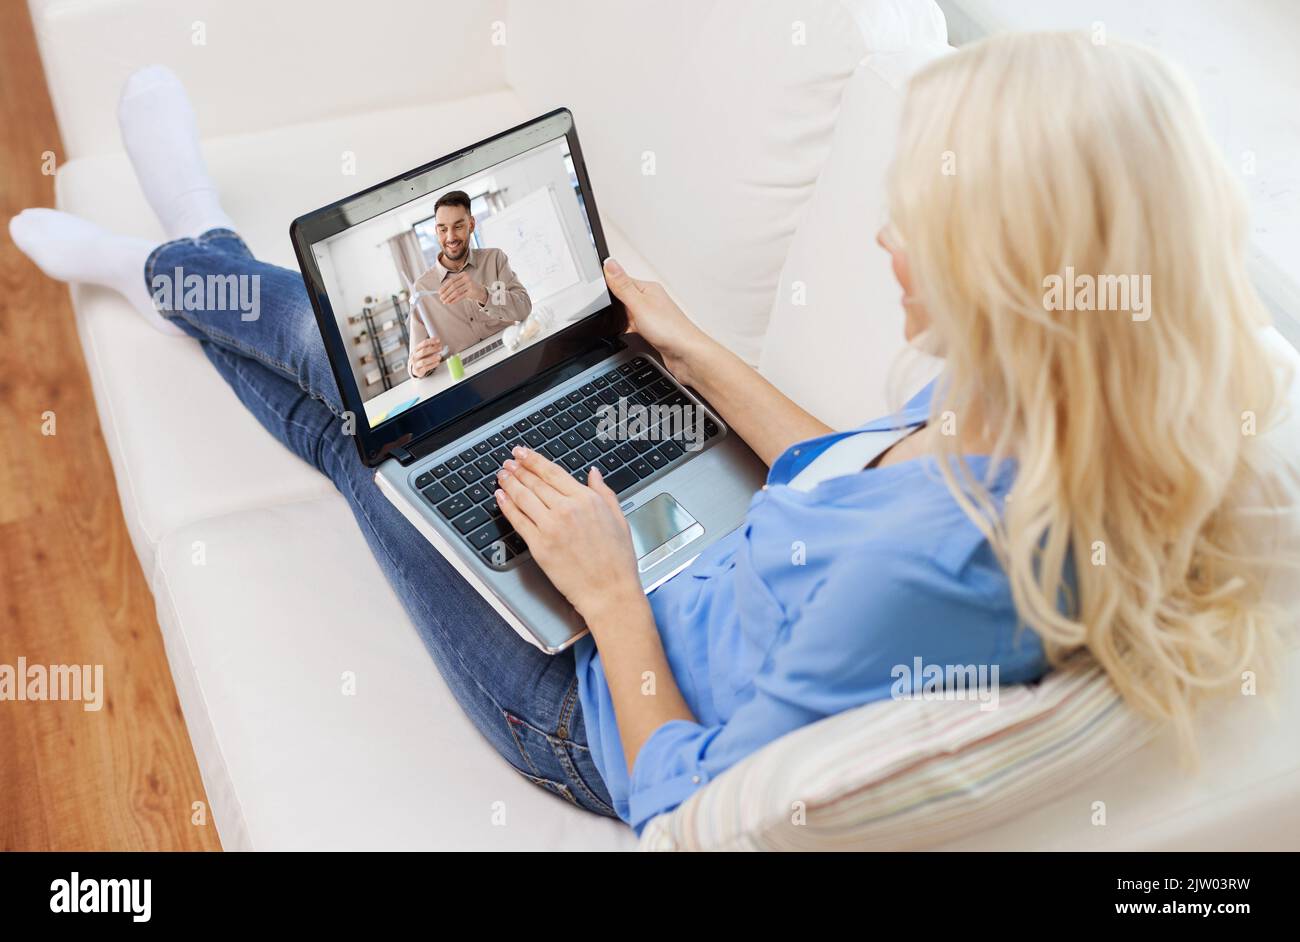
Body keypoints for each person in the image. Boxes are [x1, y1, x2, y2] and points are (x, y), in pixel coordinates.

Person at [10, 32, 1294, 835]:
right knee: (392, 394)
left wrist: (610, 592)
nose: (884, 236)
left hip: (587, 697)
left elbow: (690, 801)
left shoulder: (933, 581)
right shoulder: (1054, 410)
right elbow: (846, 482)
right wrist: (691, 348)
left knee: (371, 440)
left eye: (921, 221)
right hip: (685, 568)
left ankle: (175, 255)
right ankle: (188, 258)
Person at [405, 189, 532, 379]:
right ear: (436, 230)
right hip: (465, 378)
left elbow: (523, 309)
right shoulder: (421, 289)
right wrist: (416, 368)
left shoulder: (494, 259)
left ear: (471, 224)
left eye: (458, 226)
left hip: (513, 358)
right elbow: (415, 360)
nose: (450, 237)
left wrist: (484, 294)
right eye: (443, 229)